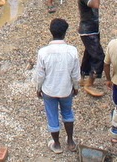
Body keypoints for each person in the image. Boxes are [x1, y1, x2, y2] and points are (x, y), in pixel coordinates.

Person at [31, 18, 81, 153]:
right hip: (66, 89)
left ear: (50, 32)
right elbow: (75, 74)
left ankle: (57, 144)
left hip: (49, 90)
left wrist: (38, 88)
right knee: (67, 113)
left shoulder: (43, 52)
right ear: (65, 33)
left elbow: (40, 74)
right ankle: (70, 141)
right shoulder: (72, 51)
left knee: (52, 115)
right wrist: (76, 87)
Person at [77, 0, 109, 98]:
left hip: (93, 29)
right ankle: (89, 83)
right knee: (99, 57)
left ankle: (82, 76)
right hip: (87, 31)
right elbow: (95, 4)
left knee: (89, 54)